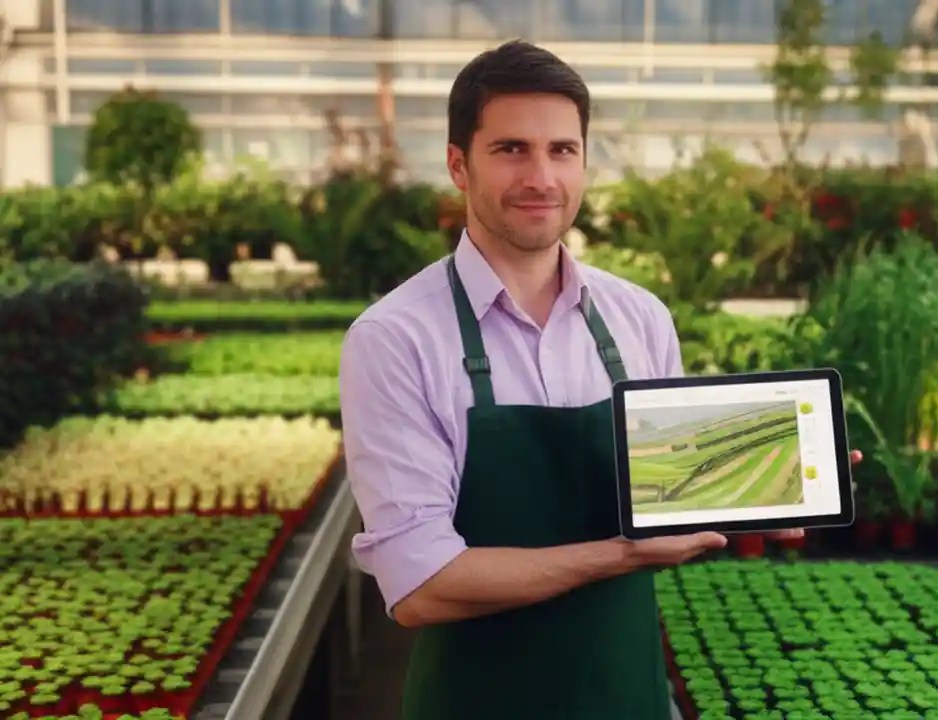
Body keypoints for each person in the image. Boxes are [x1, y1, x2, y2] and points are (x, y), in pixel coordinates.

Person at [338, 39, 862, 719]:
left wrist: (769, 493)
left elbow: (668, 498)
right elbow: (422, 587)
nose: (541, 177)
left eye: (562, 150)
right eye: (511, 150)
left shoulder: (638, 318)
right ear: (457, 166)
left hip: (628, 695)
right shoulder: (396, 338)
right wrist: (616, 557)